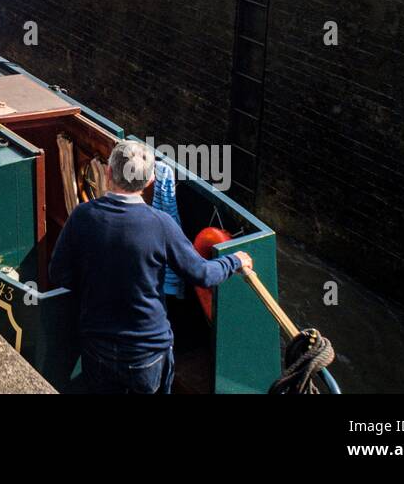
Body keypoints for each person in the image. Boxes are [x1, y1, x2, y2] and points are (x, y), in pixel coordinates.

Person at [50, 138, 252, 394]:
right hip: (146, 354)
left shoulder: (82, 216)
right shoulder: (161, 224)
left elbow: (58, 273)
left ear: (109, 173)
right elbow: (202, 274)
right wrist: (235, 260)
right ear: (149, 182)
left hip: (97, 346)